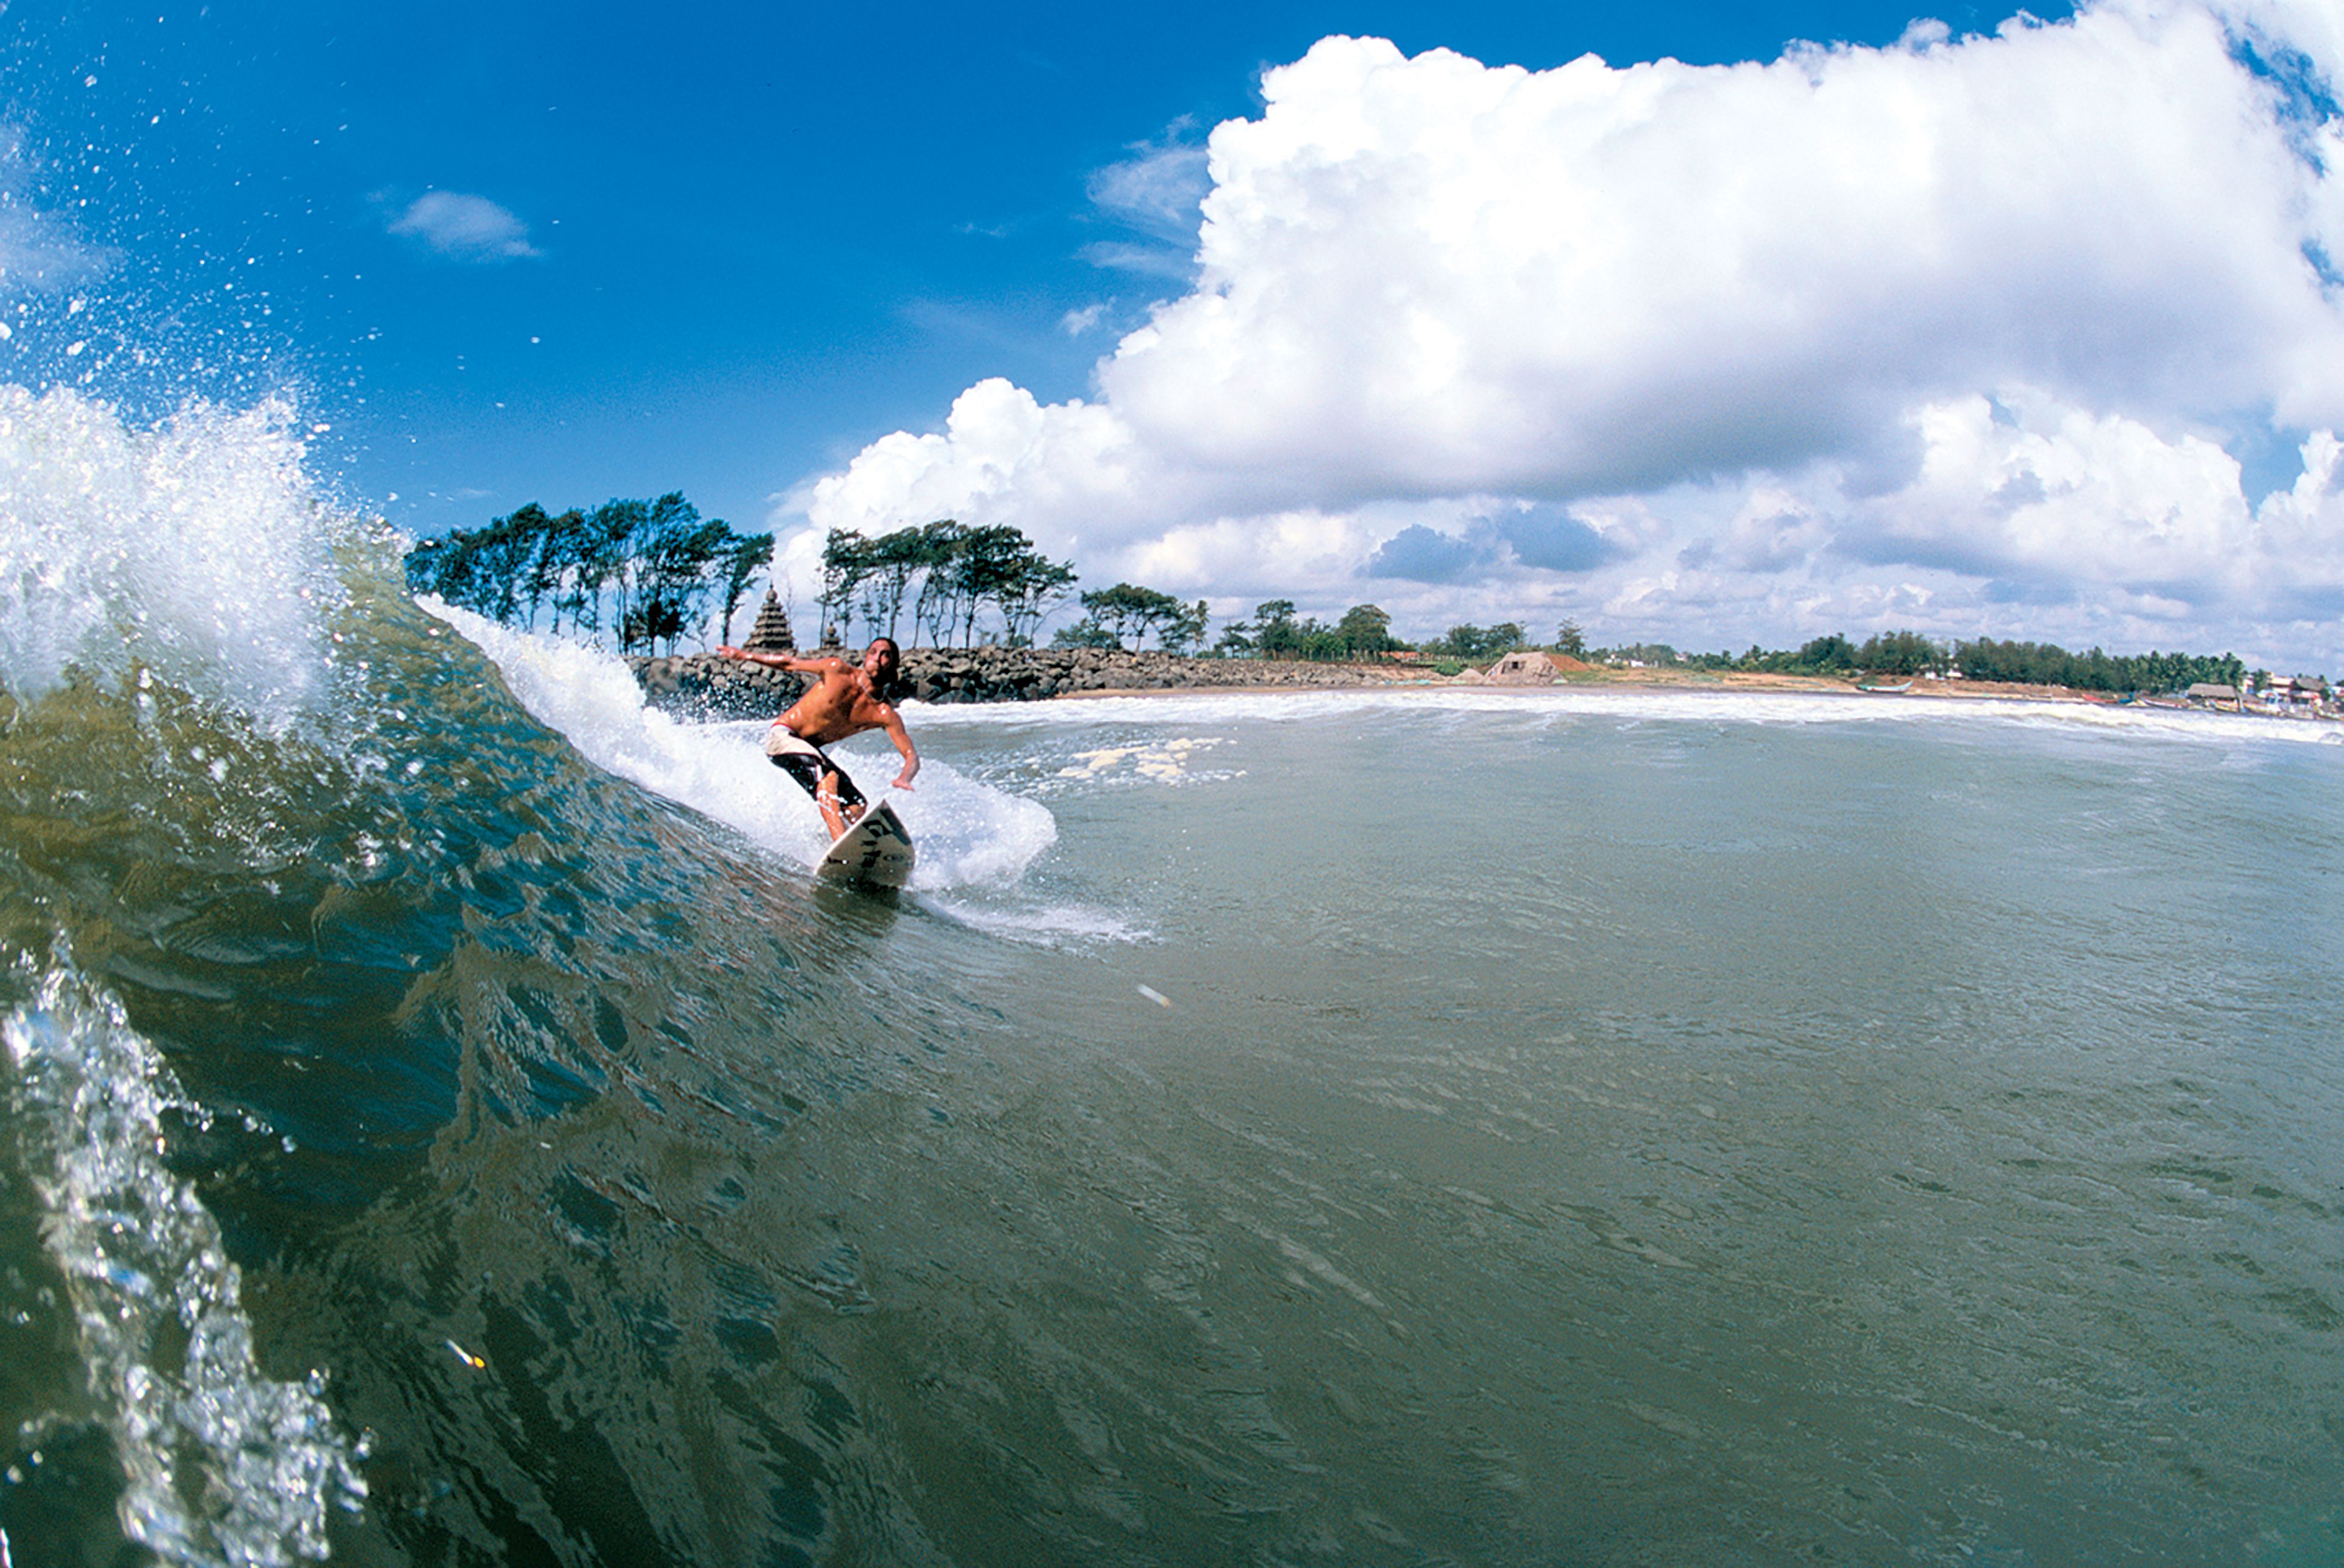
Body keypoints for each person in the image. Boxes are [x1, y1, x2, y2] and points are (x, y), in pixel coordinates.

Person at [716, 637, 919, 838]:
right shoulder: (836, 670)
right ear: (866, 657)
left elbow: (911, 757)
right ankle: (839, 839)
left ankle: (845, 842)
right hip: (782, 736)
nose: (877, 658)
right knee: (829, 778)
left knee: (857, 806)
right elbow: (789, 663)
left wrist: (905, 778)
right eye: (873, 652)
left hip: (806, 749)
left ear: (893, 665)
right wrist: (744, 655)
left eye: (885, 655)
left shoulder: (883, 714)